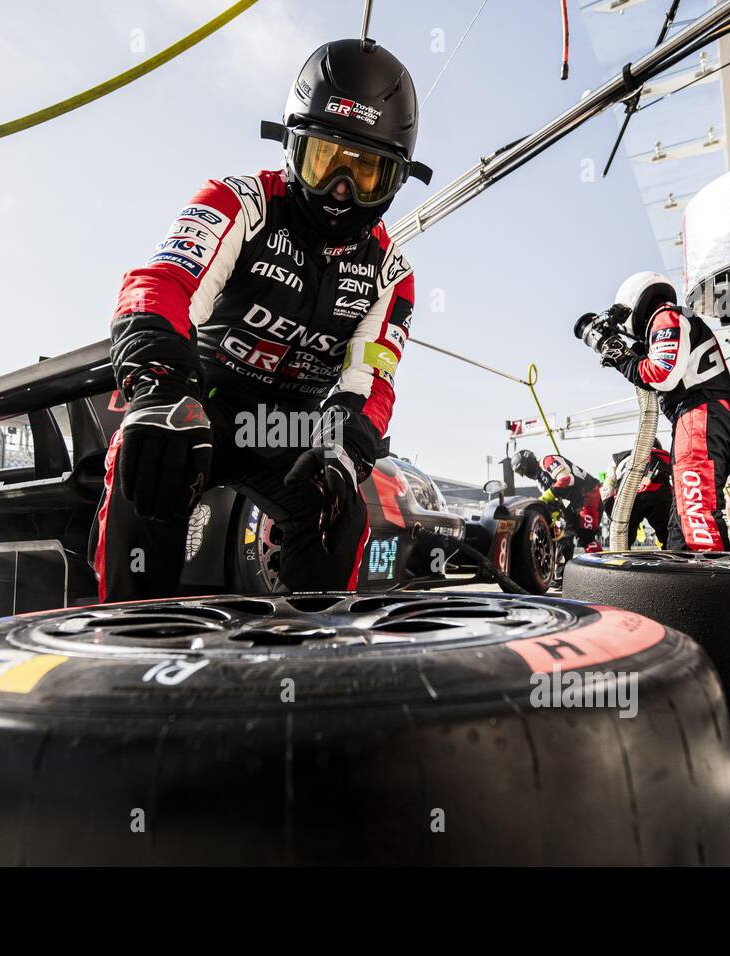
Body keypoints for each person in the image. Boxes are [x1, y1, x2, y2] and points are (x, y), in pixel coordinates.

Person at [96, 38, 432, 601]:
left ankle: (314, 656)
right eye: (324, 160)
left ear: (396, 180)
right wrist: (160, 386)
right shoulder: (239, 200)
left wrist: (347, 448)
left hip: (294, 430)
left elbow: (370, 383)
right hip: (202, 403)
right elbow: (160, 285)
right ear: (291, 147)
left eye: (366, 172)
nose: (340, 190)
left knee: (340, 501)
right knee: (150, 450)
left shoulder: (392, 273)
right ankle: (132, 631)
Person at [583, 271, 730, 551]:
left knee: (695, 517)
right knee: (682, 520)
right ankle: (692, 585)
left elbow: (662, 374)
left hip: (701, 417)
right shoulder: (676, 319)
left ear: (631, 306)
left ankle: (706, 590)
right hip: (712, 417)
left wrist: (622, 358)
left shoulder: (665, 316)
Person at [512, 448, 603, 553]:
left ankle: (602, 566)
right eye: (521, 472)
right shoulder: (539, 481)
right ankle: (563, 567)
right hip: (573, 502)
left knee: (586, 536)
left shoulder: (547, 461)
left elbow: (568, 479)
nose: (525, 473)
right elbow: (553, 500)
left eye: (523, 469)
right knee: (564, 536)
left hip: (589, 494)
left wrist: (546, 497)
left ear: (528, 461)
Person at [602, 438, 672, 547]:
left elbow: (606, 490)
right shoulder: (664, 455)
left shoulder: (620, 459)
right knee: (668, 535)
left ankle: (620, 560)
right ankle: (673, 558)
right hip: (658, 494)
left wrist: (612, 513)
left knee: (623, 540)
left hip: (628, 496)